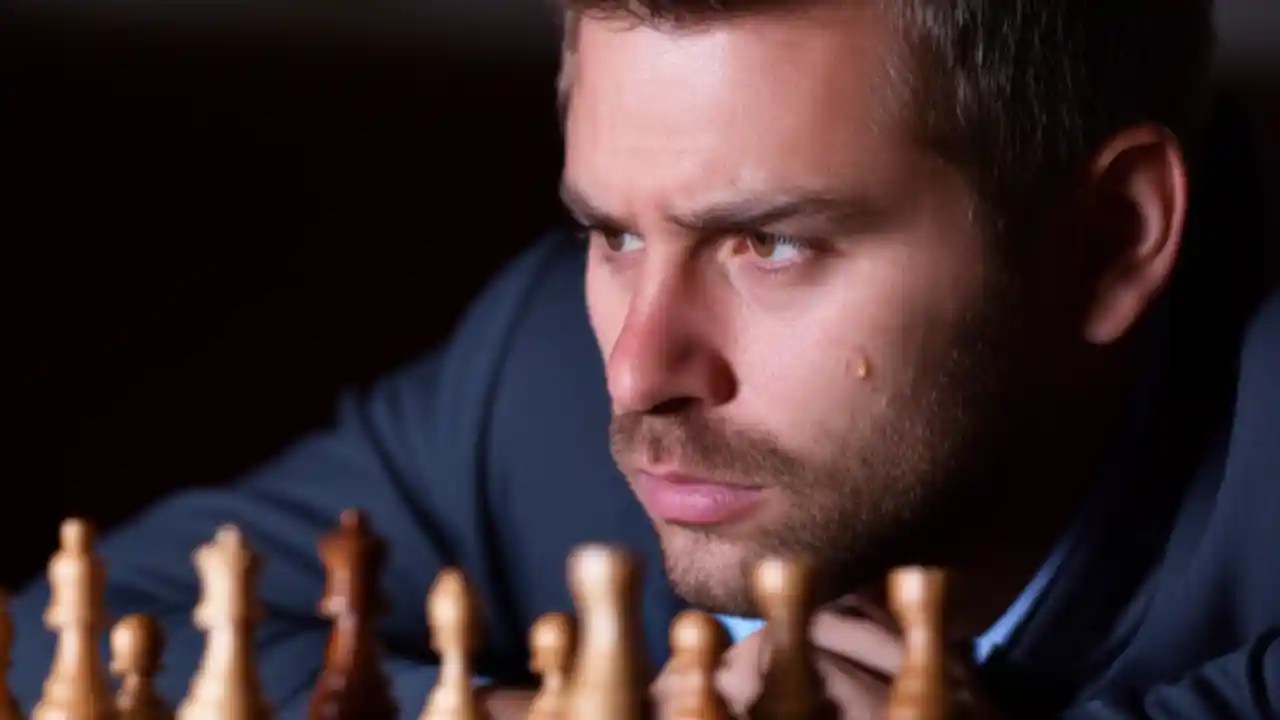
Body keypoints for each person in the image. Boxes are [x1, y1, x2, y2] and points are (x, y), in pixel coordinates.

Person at [8, 0, 1280, 717]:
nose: (637, 371)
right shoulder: (540, 379)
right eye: (609, 232)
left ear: (1109, 242)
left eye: (768, 245)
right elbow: (50, 635)